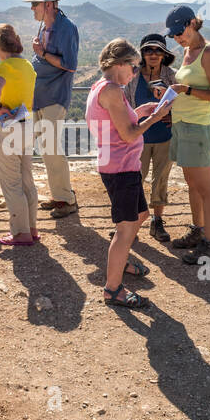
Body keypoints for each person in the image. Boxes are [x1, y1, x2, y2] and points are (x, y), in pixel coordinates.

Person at [86, 39, 173, 309]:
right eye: (134, 67)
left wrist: (140, 112)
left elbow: (120, 123)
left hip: (122, 164)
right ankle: (113, 289)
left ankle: (119, 262)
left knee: (140, 216)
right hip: (121, 167)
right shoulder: (112, 90)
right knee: (125, 230)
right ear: (120, 64)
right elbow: (128, 134)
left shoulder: (104, 87)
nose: (136, 72)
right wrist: (157, 117)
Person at [164, 5, 210, 265]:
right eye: (174, 35)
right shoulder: (188, 51)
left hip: (197, 127)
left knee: (207, 189)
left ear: (192, 23)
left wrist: (186, 91)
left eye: (180, 31)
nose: (178, 38)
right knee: (192, 184)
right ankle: (198, 231)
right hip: (182, 124)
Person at [28, 0, 80, 218]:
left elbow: (69, 64)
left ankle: (66, 199)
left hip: (55, 95)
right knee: (46, 148)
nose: (31, 8)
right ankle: (60, 195)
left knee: (50, 146)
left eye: (34, 4)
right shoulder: (45, 27)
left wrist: (41, 55)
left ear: (48, 5)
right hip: (40, 96)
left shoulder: (66, 28)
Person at [0, 23, 39, 246]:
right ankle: (32, 229)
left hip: (8, 127)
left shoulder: (4, 67)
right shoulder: (28, 66)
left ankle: (20, 233)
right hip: (27, 124)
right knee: (27, 179)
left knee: (11, 182)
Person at [133, 33, 177, 242]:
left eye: (157, 50)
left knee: (160, 180)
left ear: (164, 54)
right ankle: (130, 223)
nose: (153, 54)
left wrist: (174, 118)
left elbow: (182, 102)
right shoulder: (132, 76)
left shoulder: (172, 76)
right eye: (148, 50)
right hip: (138, 137)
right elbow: (124, 103)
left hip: (164, 136)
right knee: (134, 180)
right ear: (142, 53)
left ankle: (157, 222)